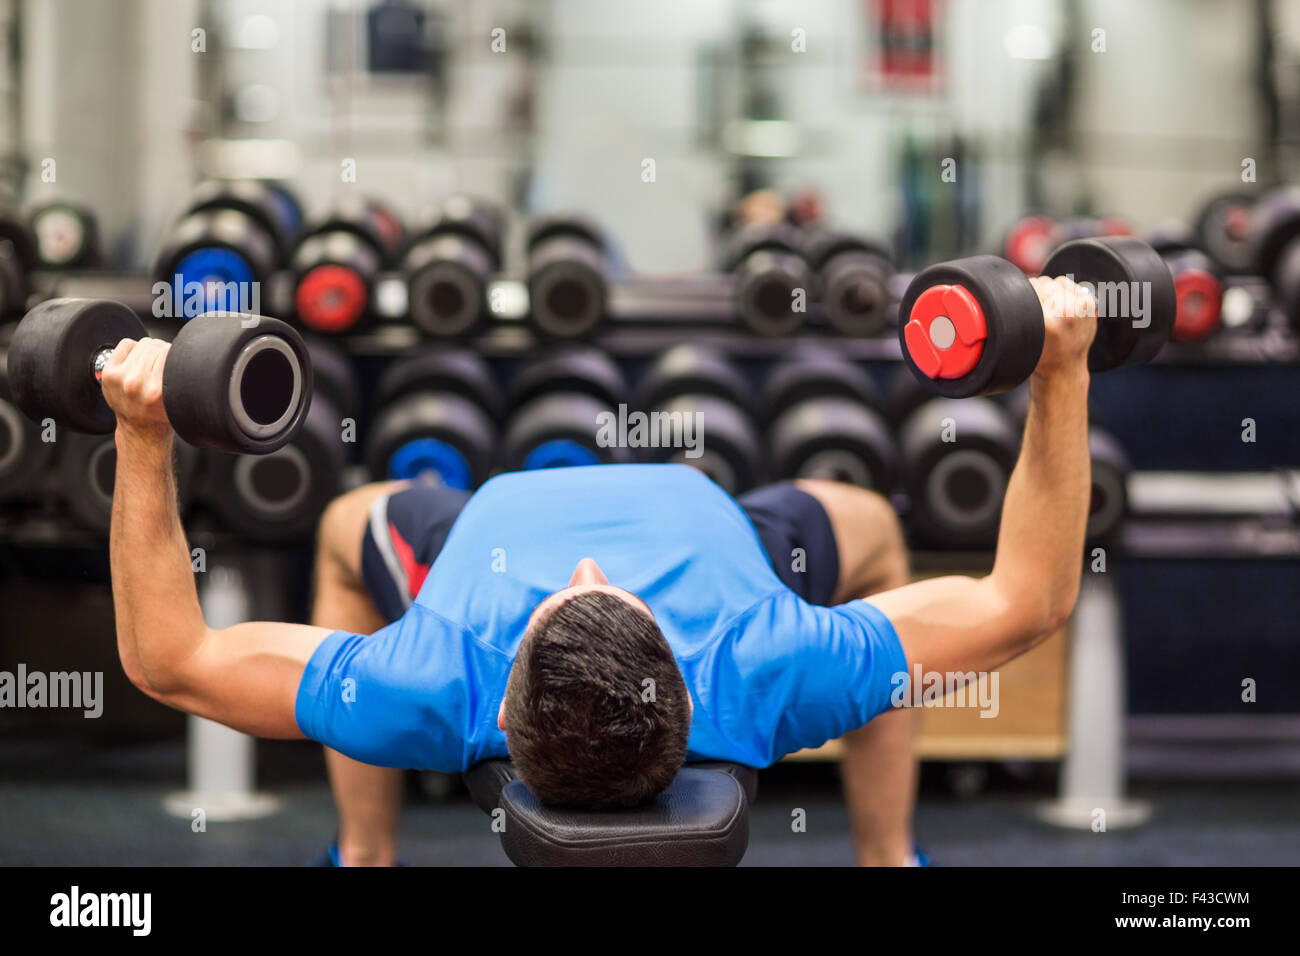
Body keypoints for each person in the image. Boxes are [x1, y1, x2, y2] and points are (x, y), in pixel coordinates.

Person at [102, 274, 1093, 866]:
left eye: (566, 593)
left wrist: (143, 436)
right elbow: (1030, 595)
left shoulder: (430, 678)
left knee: (340, 527)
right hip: (734, 531)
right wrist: (1062, 372)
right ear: (684, 682)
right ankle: (886, 856)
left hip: (470, 533)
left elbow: (170, 658)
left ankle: (366, 855)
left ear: (501, 700)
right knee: (874, 527)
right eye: (606, 588)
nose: (583, 563)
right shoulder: (772, 660)